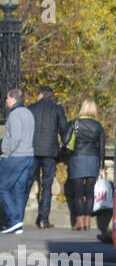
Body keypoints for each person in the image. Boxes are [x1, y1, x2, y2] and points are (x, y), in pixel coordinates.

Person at [26, 84, 67, 229]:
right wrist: (64, 146)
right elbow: (64, 130)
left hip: (32, 150)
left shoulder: (30, 109)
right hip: (50, 151)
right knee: (47, 186)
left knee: (27, 183)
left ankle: (18, 217)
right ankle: (43, 219)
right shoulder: (57, 109)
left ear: (40, 95)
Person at [63, 99, 107, 234]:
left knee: (78, 194)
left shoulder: (75, 123)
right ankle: (87, 222)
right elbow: (102, 149)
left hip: (78, 159)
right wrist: (102, 166)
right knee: (89, 193)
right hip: (93, 160)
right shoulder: (98, 126)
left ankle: (80, 222)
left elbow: (65, 141)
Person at [0, 89, 35, 234]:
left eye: (7, 98)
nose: (6, 101)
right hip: (28, 156)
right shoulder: (28, 113)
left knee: (2, 187)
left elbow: (15, 137)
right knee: (19, 191)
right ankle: (17, 224)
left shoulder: (15, 115)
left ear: (13, 99)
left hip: (15, 156)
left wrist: (5, 153)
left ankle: (14, 220)